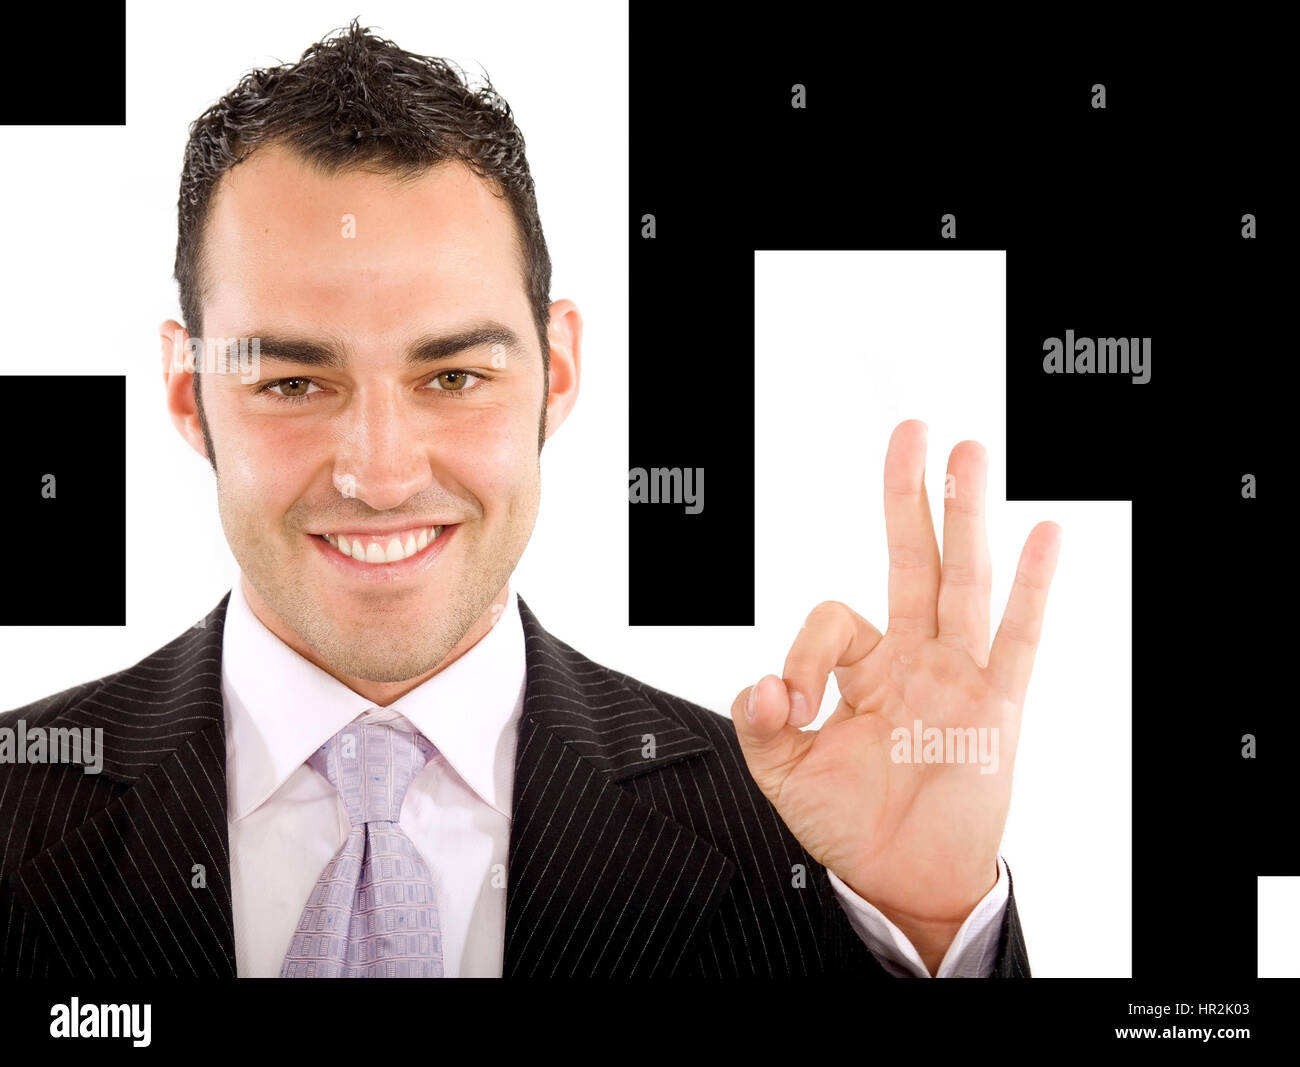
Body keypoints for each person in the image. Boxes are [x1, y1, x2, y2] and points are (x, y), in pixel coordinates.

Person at [0, 20, 1059, 978]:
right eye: (290, 382)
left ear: (556, 369)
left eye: (452, 376)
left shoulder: (792, 835)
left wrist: (927, 931)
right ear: (191, 394)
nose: (380, 470)